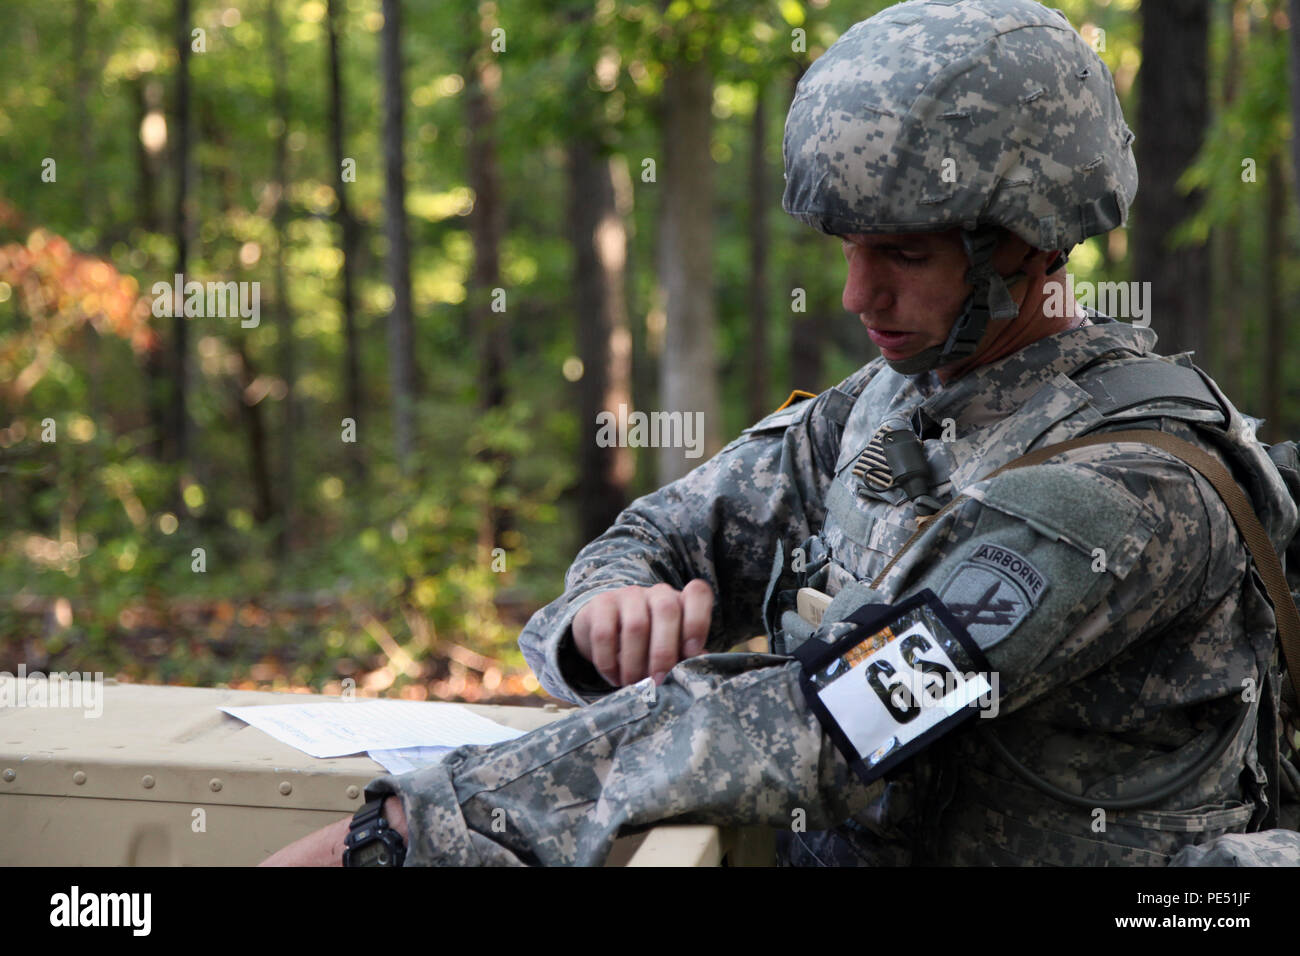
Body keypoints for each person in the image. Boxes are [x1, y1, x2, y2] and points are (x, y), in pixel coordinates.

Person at [264, 0, 1300, 867]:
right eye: (848, 248)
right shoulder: (889, 402)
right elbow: (668, 530)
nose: (857, 292)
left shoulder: (1120, 494)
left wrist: (407, 831)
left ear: (1024, 247)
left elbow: (830, 722)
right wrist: (603, 613)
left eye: (901, 252)